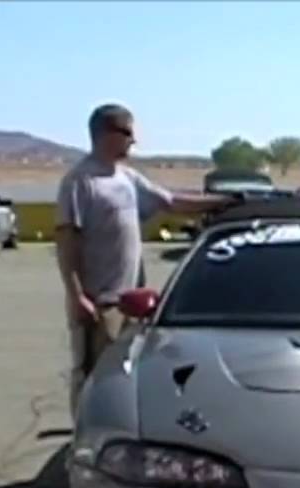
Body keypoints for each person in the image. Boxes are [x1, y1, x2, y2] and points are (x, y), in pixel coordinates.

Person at [56, 103, 232, 419]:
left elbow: (171, 202)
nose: (133, 141)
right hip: (99, 304)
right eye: (127, 133)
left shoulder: (128, 179)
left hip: (131, 302)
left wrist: (224, 202)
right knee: (93, 377)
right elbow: (67, 241)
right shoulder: (81, 181)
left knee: (125, 376)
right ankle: (85, 436)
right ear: (105, 133)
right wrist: (77, 295)